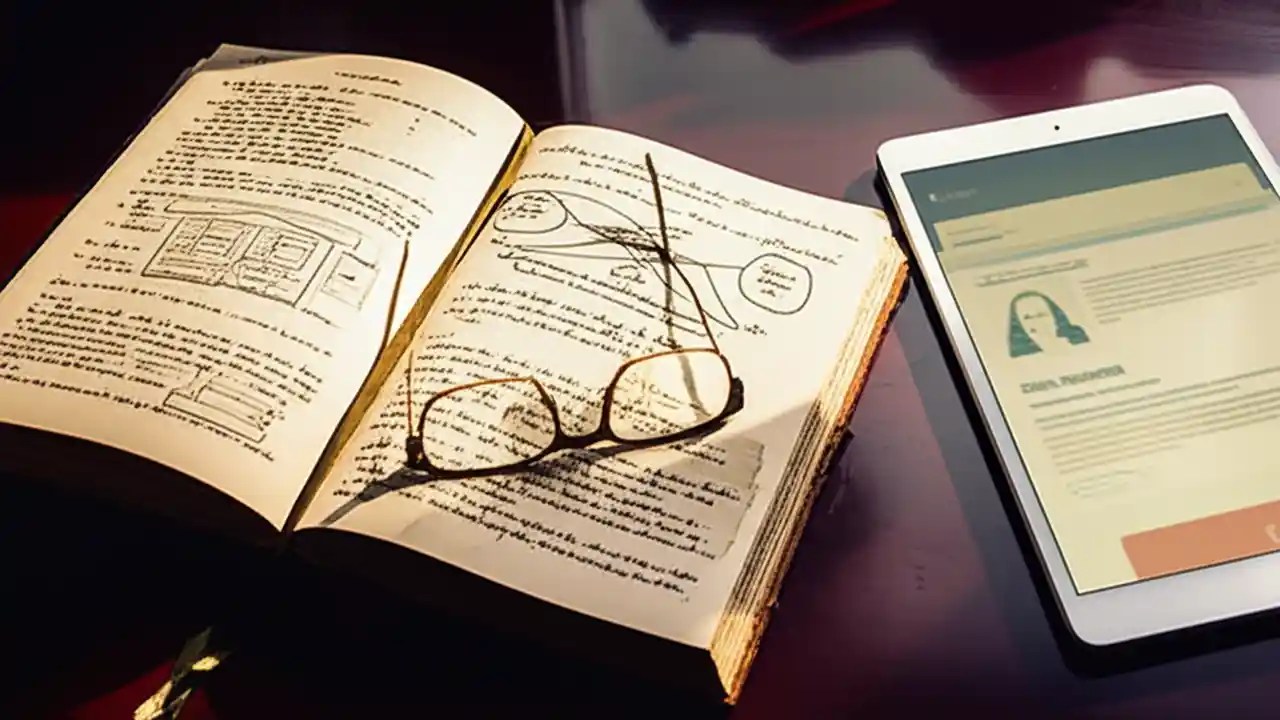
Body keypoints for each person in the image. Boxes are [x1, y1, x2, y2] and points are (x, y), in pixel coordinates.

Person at [1008, 290, 1089, 357]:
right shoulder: (1021, 351)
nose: (1035, 322)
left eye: (1041, 315)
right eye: (1027, 318)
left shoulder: (1077, 337)